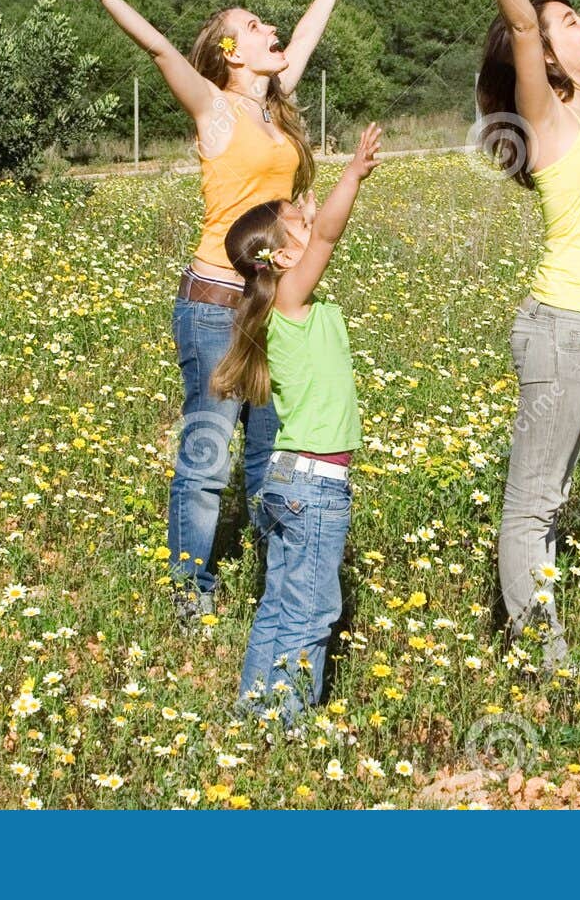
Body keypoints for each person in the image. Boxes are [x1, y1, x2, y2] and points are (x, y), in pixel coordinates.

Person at [58, 0, 364, 627]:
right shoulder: (215, 109)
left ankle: (267, 576)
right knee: (206, 458)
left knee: (269, 451)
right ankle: (189, 597)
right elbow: (162, 51)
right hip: (214, 303)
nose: (270, 30)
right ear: (230, 53)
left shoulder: (273, 107)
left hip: (270, 301)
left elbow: (301, 45)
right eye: (254, 25)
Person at [440, 0, 580, 671]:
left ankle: (541, 643)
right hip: (561, 326)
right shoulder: (549, 113)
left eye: (579, 18)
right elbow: (523, 23)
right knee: (532, 506)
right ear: (547, 57)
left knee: (552, 499)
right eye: (569, 26)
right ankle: (544, 662)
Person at [211, 124, 384, 721]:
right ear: (284, 257)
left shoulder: (289, 308)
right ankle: (283, 731)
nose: (312, 229)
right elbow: (329, 235)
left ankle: (251, 717)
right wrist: (353, 176)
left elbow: (317, 234)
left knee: (279, 607)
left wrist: (303, 204)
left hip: (289, 481)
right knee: (311, 614)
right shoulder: (288, 301)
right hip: (315, 487)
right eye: (299, 228)